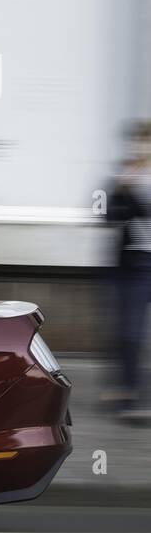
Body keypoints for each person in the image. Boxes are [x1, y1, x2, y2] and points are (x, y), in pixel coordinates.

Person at [104, 120, 151, 417]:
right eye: (137, 141)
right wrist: (121, 190)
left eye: (145, 141)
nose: (140, 147)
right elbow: (107, 217)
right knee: (129, 334)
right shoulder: (124, 176)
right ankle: (129, 395)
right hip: (134, 265)